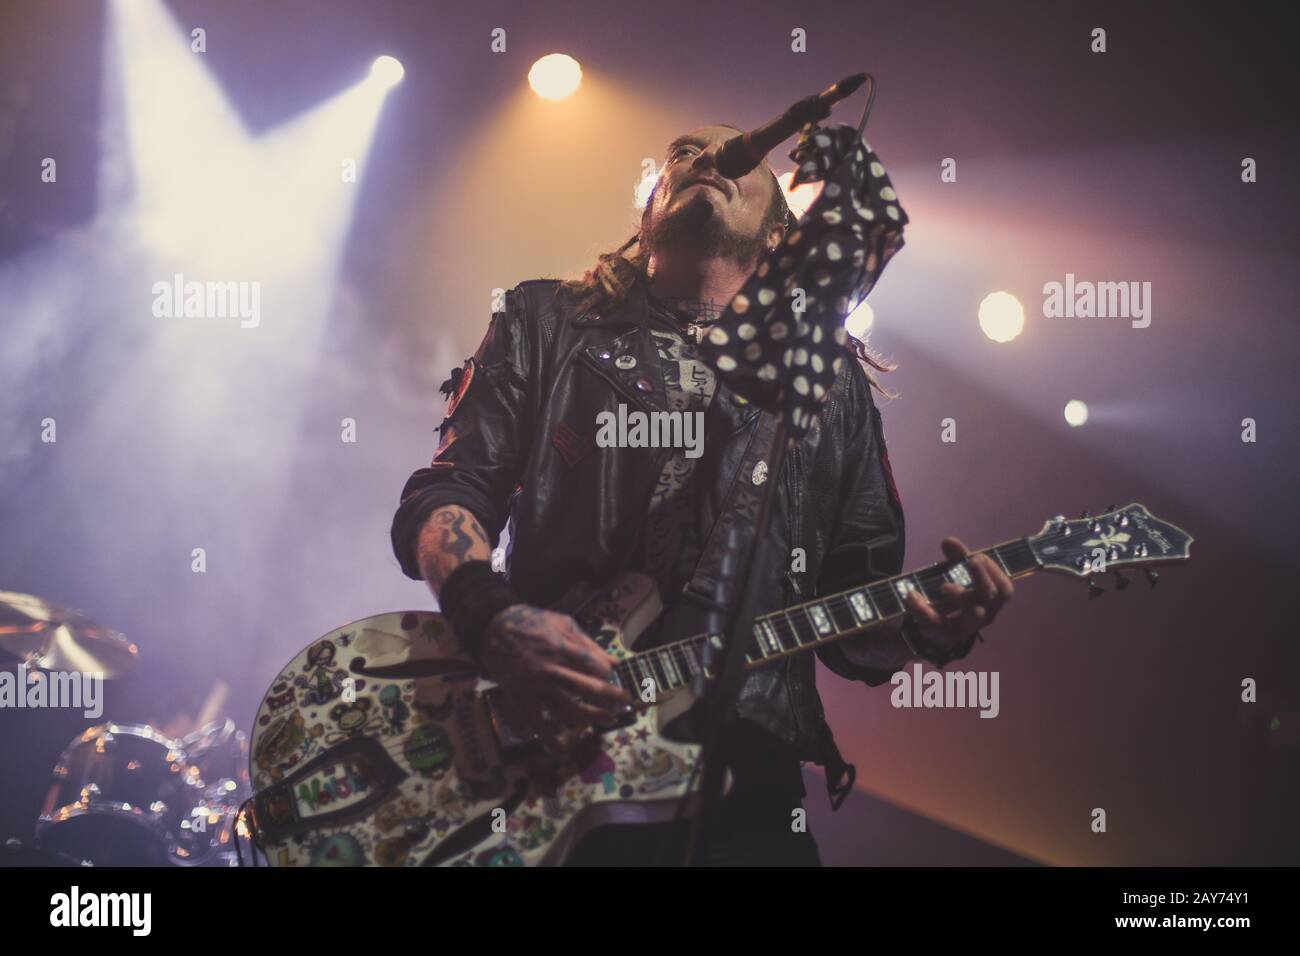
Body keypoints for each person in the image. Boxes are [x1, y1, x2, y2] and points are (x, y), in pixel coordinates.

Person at [391, 125, 1014, 865]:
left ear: (783, 229)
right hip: (543, 762)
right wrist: (487, 615)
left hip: (748, 794)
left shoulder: (830, 390)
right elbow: (449, 492)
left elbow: (856, 622)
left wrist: (929, 629)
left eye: (739, 155)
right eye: (684, 151)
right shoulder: (546, 321)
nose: (709, 159)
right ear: (649, 206)